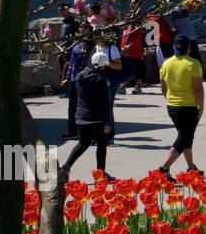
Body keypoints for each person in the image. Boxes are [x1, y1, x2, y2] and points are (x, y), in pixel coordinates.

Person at [60, 50, 115, 183]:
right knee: (101, 145)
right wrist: (107, 122)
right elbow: (104, 103)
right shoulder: (100, 79)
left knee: (82, 143)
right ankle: (100, 173)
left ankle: (66, 166)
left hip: (81, 116)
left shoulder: (80, 75)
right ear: (103, 65)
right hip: (97, 118)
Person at [157, 34, 205, 176]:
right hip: (188, 106)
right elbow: (198, 89)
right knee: (183, 138)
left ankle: (191, 167)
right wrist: (201, 107)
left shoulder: (166, 64)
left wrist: (169, 100)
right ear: (188, 48)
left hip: (172, 106)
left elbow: (163, 87)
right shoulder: (193, 64)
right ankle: (164, 168)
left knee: (186, 136)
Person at [59, 41, 89, 140]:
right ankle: (72, 130)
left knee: (85, 107)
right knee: (72, 107)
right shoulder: (76, 45)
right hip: (73, 81)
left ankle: (87, 131)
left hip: (84, 81)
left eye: (86, 27)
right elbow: (71, 63)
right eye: (81, 27)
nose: (83, 29)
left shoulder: (91, 45)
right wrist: (67, 77)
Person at [119, 19, 147, 95]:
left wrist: (128, 47)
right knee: (125, 70)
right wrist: (122, 48)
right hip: (126, 53)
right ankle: (122, 86)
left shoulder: (137, 29)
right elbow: (123, 41)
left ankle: (138, 87)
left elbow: (138, 41)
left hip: (136, 54)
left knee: (137, 71)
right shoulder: (125, 30)